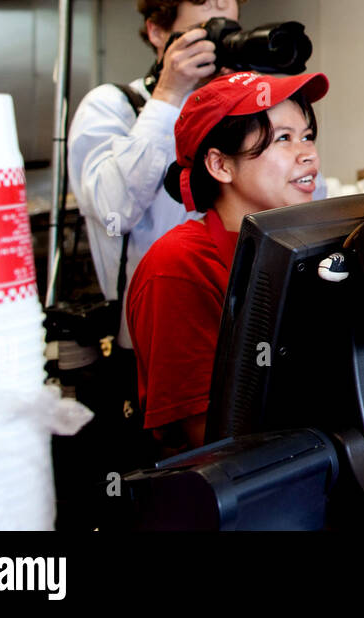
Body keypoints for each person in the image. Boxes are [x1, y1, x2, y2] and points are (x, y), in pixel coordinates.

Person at [125, 69, 328, 455]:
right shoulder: (178, 266)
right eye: (283, 139)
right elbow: (213, 440)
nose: (309, 154)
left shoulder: (308, 244)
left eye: (307, 136)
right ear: (220, 165)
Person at [67, 0, 248, 349]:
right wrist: (168, 97)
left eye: (226, 32)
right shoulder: (111, 106)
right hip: (147, 335)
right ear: (157, 31)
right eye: (201, 34)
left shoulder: (235, 113)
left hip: (232, 327)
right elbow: (113, 209)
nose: (215, 47)